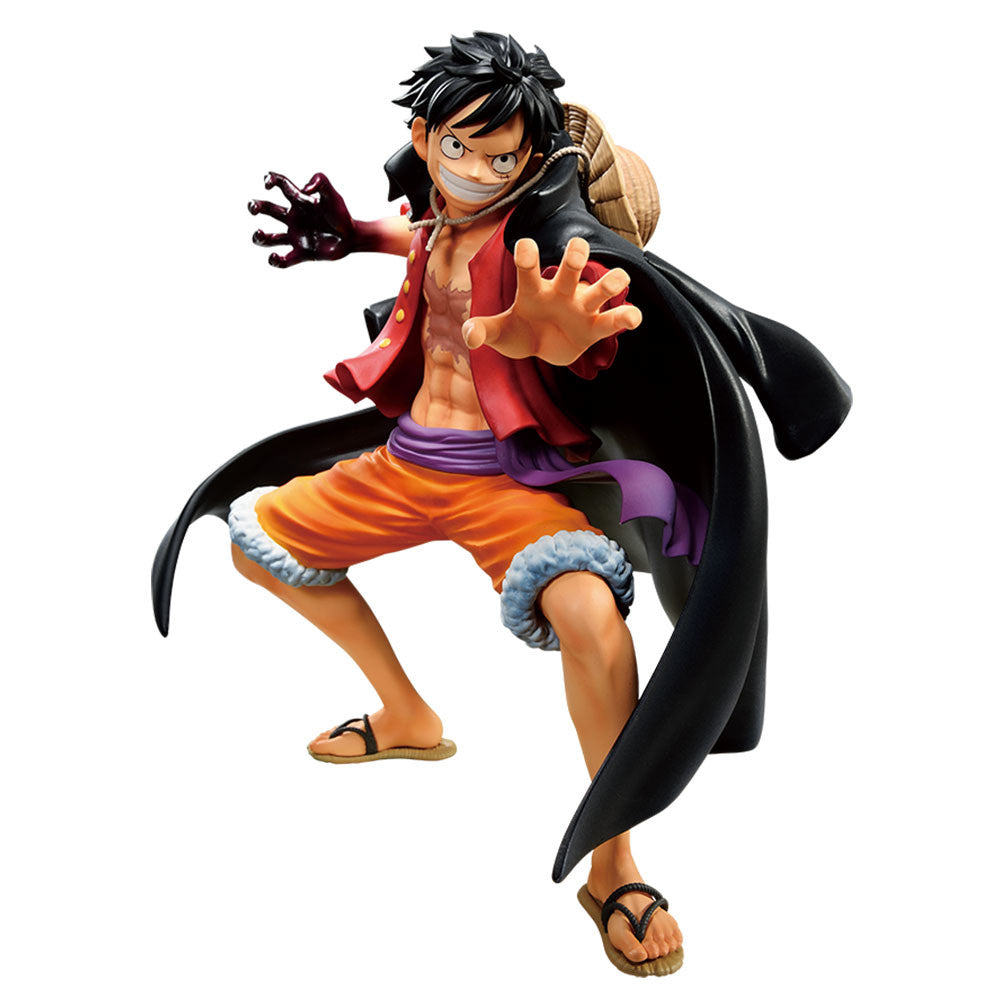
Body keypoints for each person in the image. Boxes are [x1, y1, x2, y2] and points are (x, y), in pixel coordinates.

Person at [152, 31, 851, 978]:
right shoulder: (442, 222)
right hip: (403, 466)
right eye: (460, 148)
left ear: (531, 157)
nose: (478, 172)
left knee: (592, 619)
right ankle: (406, 713)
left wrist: (555, 337)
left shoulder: (546, 247)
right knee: (256, 542)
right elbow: (423, 242)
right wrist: (351, 236)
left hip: (504, 483)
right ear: (423, 136)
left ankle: (616, 866)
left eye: (502, 157)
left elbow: (592, 312)